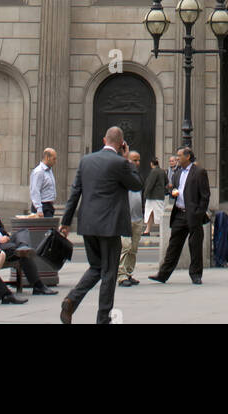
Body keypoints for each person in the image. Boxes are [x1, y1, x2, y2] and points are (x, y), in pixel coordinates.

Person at [59, 126, 143, 325]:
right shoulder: (120, 163)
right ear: (122, 144)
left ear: (104, 140)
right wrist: (128, 160)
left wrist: (65, 222)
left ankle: (72, 299)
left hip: (88, 224)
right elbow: (137, 184)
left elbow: (75, 193)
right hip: (110, 225)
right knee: (109, 272)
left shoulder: (85, 161)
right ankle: (102, 318)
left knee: (96, 267)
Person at [0, 191, 57, 295]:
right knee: (21, 251)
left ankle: (23, 248)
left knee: (23, 232)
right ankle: (37, 285)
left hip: (3, 242)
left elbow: (1, 231)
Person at [149, 146, 210, 286]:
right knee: (173, 245)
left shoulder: (199, 172)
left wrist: (199, 213)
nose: (177, 158)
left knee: (195, 246)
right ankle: (163, 274)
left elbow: (205, 195)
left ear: (188, 156)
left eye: (179, 155)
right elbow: (176, 189)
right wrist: (173, 192)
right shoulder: (176, 173)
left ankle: (195, 274)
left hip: (193, 214)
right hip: (179, 213)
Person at [117, 149, 145, 287]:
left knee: (133, 248)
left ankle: (128, 273)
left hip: (137, 217)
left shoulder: (137, 175)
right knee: (125, 246)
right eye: (134, 160)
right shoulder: (123, 175)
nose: (137, 163)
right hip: (125, 218)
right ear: (127, 160)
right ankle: (121, 276)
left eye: (139, 160)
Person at [29, 147, 58, 217]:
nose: (55, 161)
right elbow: (35, 190)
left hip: (49, 206)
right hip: (42, 206)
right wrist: (39, 209)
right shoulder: (39, 171)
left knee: (50, 227)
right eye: (54, 159)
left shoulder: (49, 171)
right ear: (47, 158)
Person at [142, 157, 166, 237]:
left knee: (152, 213)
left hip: (152, 196)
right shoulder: (162, 171)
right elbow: (167, 182)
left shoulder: (154, 171)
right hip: (160, 196)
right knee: (155, 213)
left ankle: (149, 230)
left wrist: (145, 194)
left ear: (151, 164)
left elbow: (150, 184)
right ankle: (148, 230)